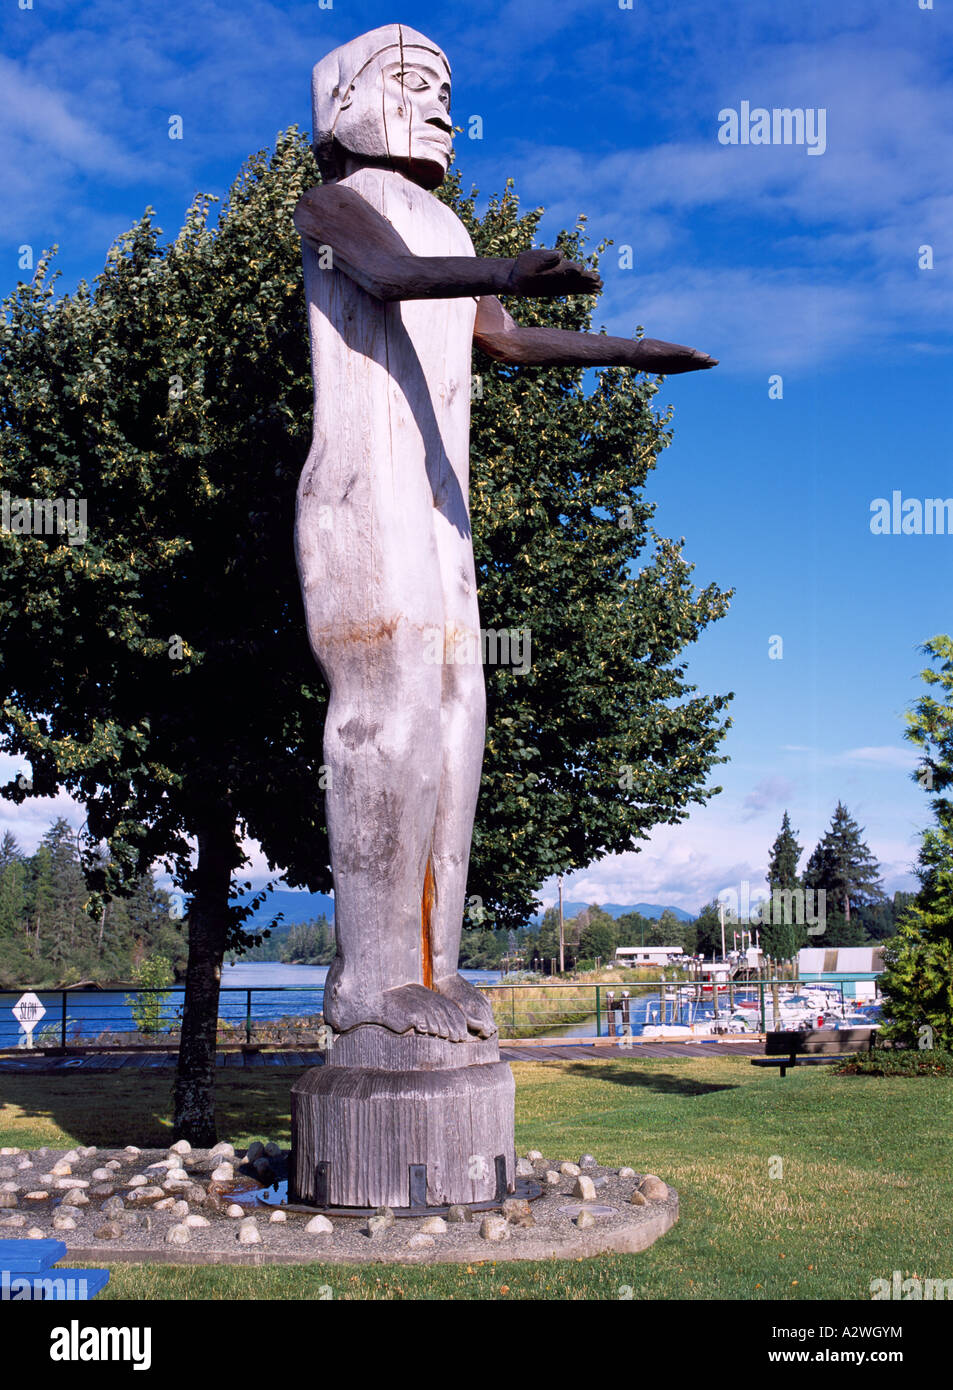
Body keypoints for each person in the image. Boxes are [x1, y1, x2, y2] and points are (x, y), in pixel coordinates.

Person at [295, 24, 716, 1042]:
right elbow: (387, 282)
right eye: (412, 82)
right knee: (386, 708)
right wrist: (511, 267)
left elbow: (501, 337)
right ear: (341, 103)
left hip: (440, 509)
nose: (440, 106)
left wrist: (630, 351)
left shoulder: (441, 225)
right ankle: (369, 981)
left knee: (456, 713)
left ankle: (432, 973)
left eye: (447, 88)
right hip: (362, 499)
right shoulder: (334, 203)